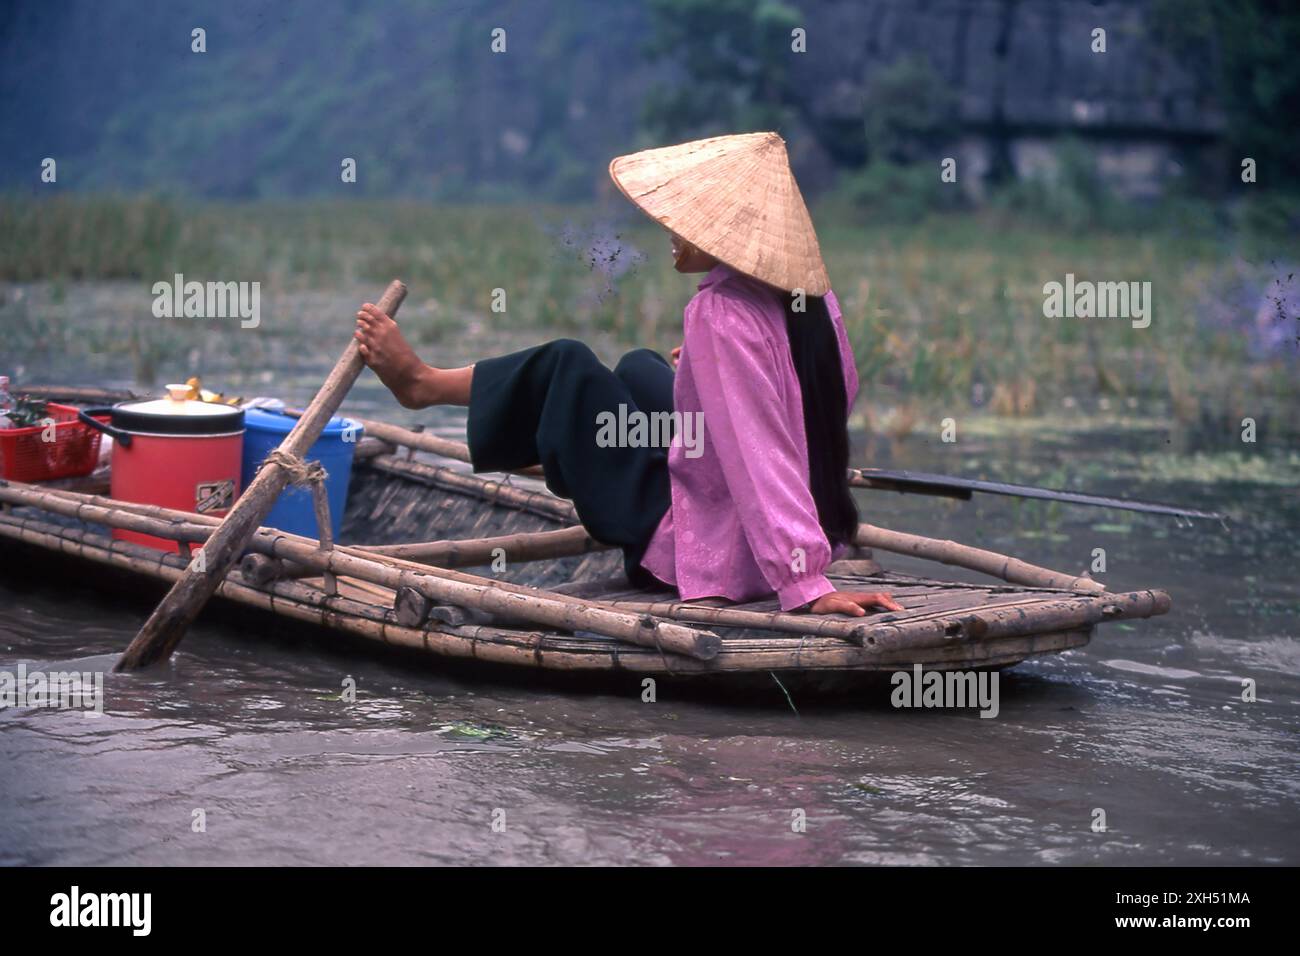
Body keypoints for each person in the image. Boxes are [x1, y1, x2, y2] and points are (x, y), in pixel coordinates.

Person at [354, 132, 901, 618]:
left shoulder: (722, 313)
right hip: (760, 512)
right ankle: (556, 437)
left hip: (715, 554)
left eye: (684, 220)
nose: (667, 229)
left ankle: (422, 385)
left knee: (566, 366)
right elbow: (815, 409)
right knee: (641, 368)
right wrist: (712, 378)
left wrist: (803, 578)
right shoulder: (812, 298)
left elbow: (761, 451)